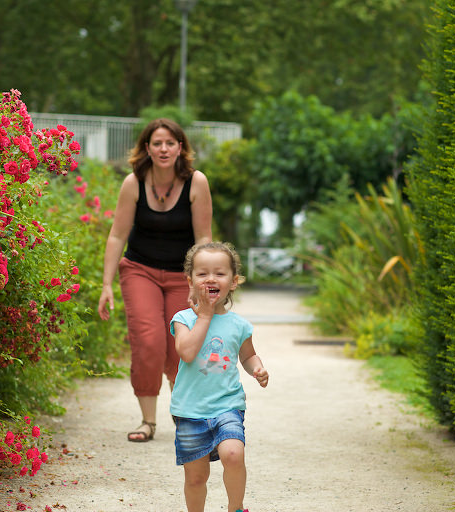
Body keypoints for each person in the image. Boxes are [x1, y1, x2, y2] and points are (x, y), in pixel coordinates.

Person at [97, 118, 212, 442]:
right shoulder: (134, 182)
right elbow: (117, 235)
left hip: (182, 275)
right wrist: (106, 285)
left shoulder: (196, 182)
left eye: (170, 143)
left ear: (180, 148)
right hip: (140, 270)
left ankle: (185, 418)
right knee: (148, 342)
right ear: (147, 148)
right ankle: (148, 421)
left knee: (179, 347)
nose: (163, 149)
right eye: (157, 143)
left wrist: (200, 282)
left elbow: (204, 237)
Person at [170, 242, 269, 512]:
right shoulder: (183, 319)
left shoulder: (239, 325)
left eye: (220, 273)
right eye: (202, 274)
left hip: (228, 404)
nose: (211, 279)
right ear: (190, 281)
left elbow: (248, 356)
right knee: (196, 477)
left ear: (233, 282)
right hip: (189, 409)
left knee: (234, 454)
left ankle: (236, 507)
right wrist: (204, 316)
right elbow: (187, 353)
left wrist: (257, 368)